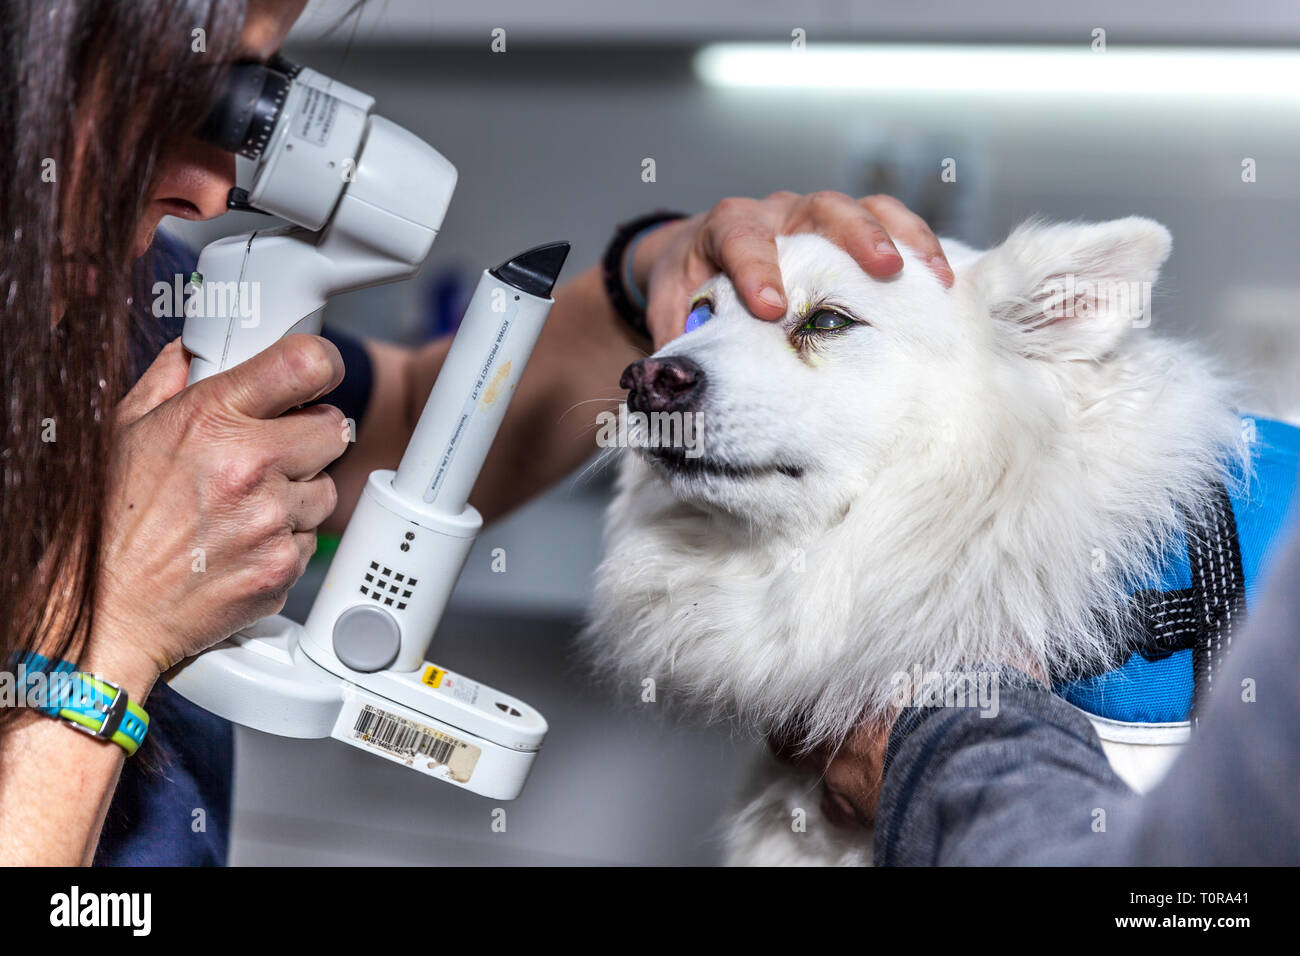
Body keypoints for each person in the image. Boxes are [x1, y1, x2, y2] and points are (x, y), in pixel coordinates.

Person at [0, 0, 954, 865]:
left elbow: (410, 424)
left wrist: (645, 277)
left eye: (245, 98)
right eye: (172, 90)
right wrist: (103, 639)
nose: (215, 191)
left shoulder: (121, 292)